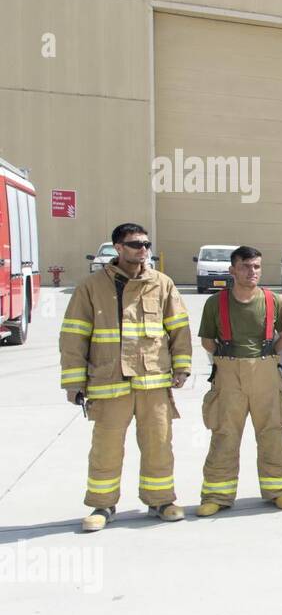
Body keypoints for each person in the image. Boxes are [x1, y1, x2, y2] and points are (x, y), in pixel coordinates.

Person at [59, 223, 191, 531]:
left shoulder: (162, 284)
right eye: (135, 244)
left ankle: (161, 500)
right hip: (108, 382)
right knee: (106, 448)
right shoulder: (91, 287)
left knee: (159, 444)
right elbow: (74, 336)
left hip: (153, 382)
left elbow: (179, 328)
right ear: (118, 248)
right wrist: (73, 382)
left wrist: (182, 367)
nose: (143, 249)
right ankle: (102, 506)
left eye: (146, 244)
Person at [196, 246, 282, 515]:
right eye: (245, 266)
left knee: (272, 433)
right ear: (232, 270)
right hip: (229, 373)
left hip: (266, 371)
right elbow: (207, 341)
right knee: (225, 434)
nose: (252, 272)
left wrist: (268, 355)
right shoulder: (216, 303)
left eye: (256, 267)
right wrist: (230, 360)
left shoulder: (274, 300)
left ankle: (279, 491)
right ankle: (216, 495)